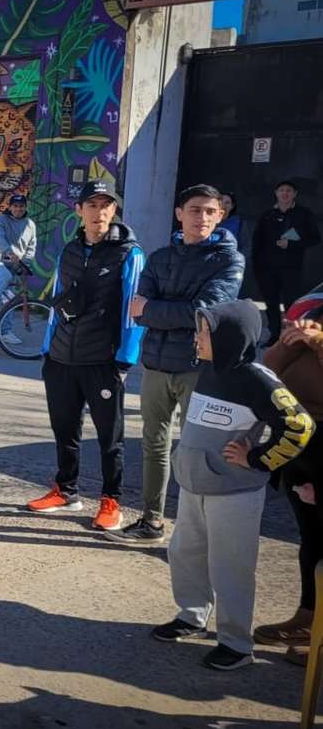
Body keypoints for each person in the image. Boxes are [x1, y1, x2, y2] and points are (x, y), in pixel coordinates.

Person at [149, 302, 314, 671]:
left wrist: (256, 459)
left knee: (231, 568)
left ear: (230, 336)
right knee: (185, 554)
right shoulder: (207, 369)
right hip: (194, 487)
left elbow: (300, 426)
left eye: (204, 332)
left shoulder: (257, 378)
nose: (197, 339)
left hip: (234, 495)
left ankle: (236, 643)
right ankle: (191, 616)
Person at [111, 184, 243, 545]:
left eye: (210, 212)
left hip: (196, 367)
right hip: (154, 364)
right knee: (154, 445)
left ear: (220, 216)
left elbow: (206, 313)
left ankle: (193, 534)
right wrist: (163, 312)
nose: (202, 217)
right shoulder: (159, 257)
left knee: (196, 451)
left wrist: (154, 310)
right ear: (179, 213)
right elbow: (135, 311)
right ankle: (151, 521)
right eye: (195, 210)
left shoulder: (229, 260)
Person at [26, 180, 145, 530]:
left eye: (106, 205)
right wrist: (48, 349)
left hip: (103, 359)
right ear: (79, 211)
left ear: (114, 210)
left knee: (110, 435)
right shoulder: (70, 250)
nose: (100, 212)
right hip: (62, 357)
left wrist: (125, 359)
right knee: (65, 428)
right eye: (92, 205)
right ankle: (66, 491)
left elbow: (132, 310)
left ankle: (111, 499)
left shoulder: (129, 252)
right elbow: (57, 301)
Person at [253, 297, 323, 662]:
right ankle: (308, 618)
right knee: (311, 542)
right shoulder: (315, 310)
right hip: (299, 441)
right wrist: (288, 340)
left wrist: (317, 343)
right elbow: (270, 370)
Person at [253, 180, 319, 344]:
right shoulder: (267, 215)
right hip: (267, 268)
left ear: (295, 194)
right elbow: (257, 241)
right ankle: (275, 335)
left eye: (288, 191)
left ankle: (291, 336)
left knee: (291, 303)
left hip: (291, 267)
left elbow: (315, 238)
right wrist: (256, 264)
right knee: (271, 303)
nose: (284, 193)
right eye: (281, 190)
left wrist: (292, 244)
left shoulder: (304, 214)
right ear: (276, 193)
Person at [0, 193, 37, 324]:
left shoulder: (30, 225)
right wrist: (8, 252)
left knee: (9, 300)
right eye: (15, 206)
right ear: (10, 207)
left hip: (14, 264)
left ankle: (5, 332)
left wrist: (25, 264)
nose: (18, 209)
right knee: (4, 276)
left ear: (26, 207)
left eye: (21, 206)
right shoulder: (1, 219)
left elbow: (31, 247)